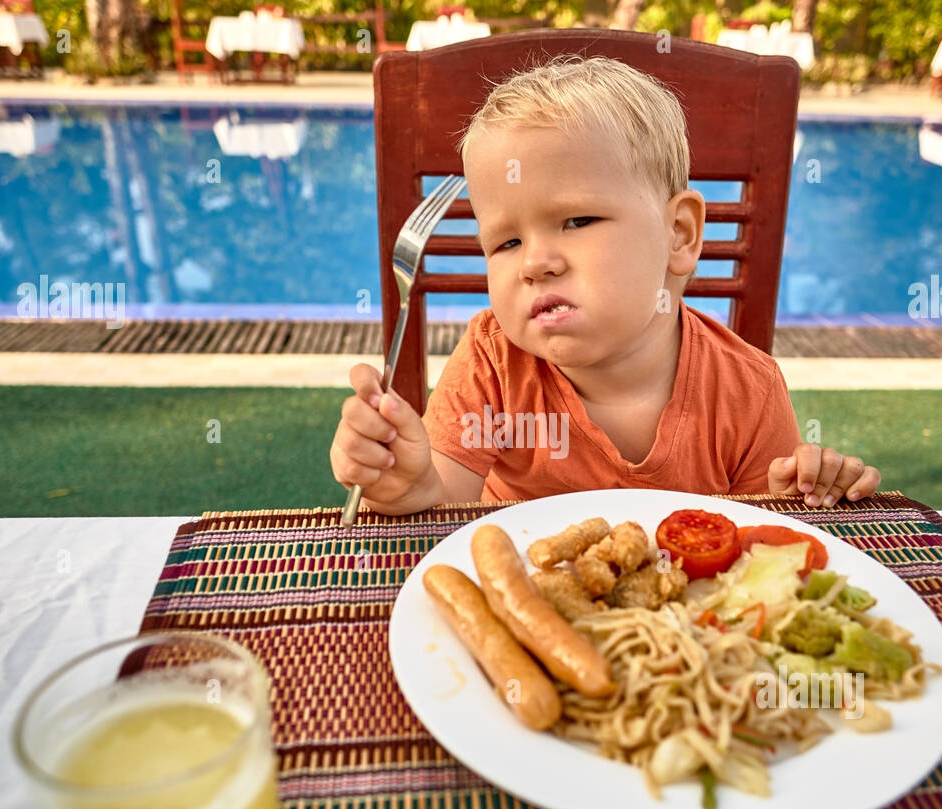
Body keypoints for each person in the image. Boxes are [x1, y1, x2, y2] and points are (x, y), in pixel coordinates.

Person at [330, 54, 880, 513]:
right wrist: (408, 485)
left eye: (577, 222)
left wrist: (800, 495)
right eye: (506, 242)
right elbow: (443, 506)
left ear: (679, 234)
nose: (535, 263)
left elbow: (762, 541)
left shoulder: (748, 393)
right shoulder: (492, 364)